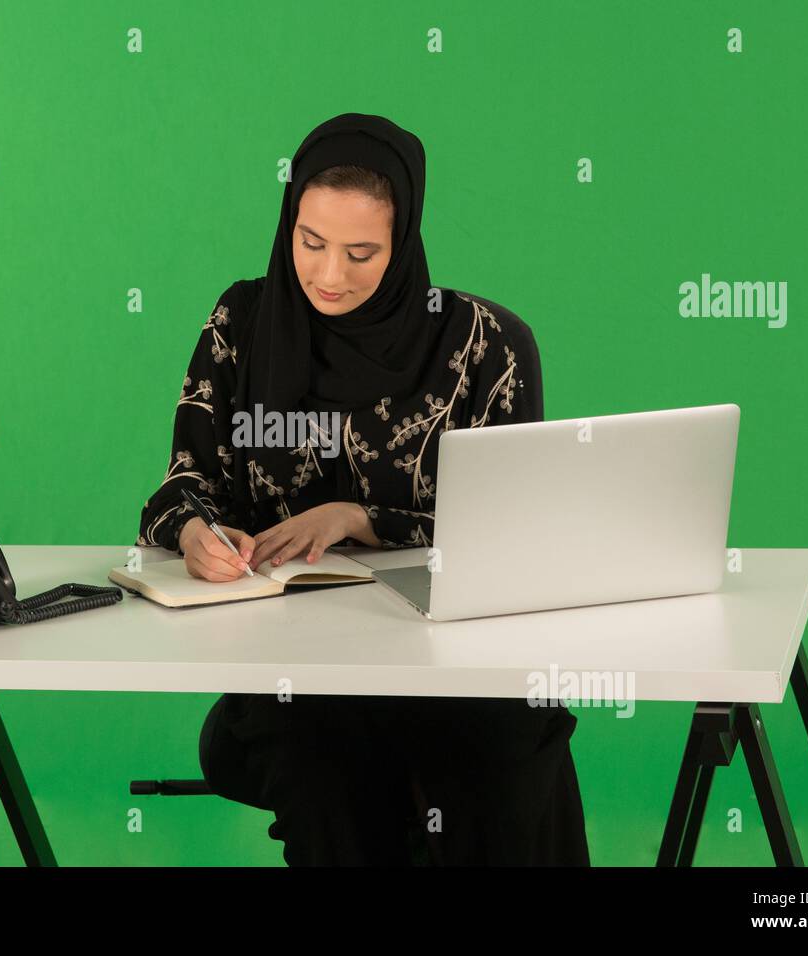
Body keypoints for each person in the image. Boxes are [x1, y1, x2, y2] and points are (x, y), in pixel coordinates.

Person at [135, 113, 590, 866]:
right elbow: (186, 481)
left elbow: (514, 536)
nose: (330, 275)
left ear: (404, 240)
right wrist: (193, 533)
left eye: (361, 251)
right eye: (310, 243)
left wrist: (359, 517)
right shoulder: (242, 324)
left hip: (455, 668)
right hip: (296, 672)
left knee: (505, 754)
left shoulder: (486, 349)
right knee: (327, 774)